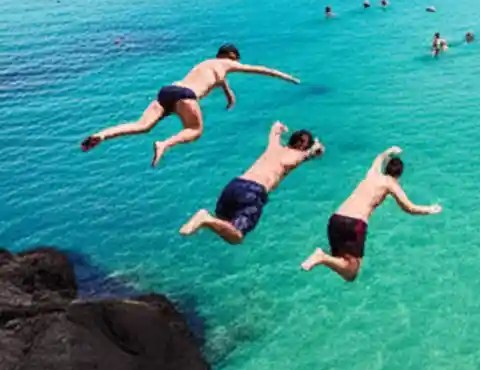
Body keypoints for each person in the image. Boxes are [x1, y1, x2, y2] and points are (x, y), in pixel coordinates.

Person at [80, 44, 300, 167]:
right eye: (235, 60)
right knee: (195, 130)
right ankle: (164, 144)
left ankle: (102, 135)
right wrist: (289, 78)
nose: (236, 63)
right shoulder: (227, 65)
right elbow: (262, 69)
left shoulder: (207, 64)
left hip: (167, 91)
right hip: (186, 96)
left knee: (141, 126)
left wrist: (229, 95)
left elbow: (220, 81)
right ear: (230, 57)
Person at [301, 147, 442, 282]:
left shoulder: (372, 173)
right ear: (399, 175)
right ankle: (321, 257)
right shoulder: (391, 184)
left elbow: (380, 157)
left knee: (343, 262)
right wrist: (430, 209)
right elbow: (409, 208)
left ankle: (323, 257)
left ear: (386, 168)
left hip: (336, 219)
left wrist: (390, 151)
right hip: (355, 223)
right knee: (351, 273)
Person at [179, 122, 324, 244]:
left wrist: (278, 127)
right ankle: (205, 218)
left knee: (224, 224)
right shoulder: (296, 154)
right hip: (253, 192)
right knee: (236, 236)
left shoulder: (274, 147)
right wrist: (309, 153)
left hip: (235, 185)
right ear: (303, 146)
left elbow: (274, 132)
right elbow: (288, 161)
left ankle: (206, 220)